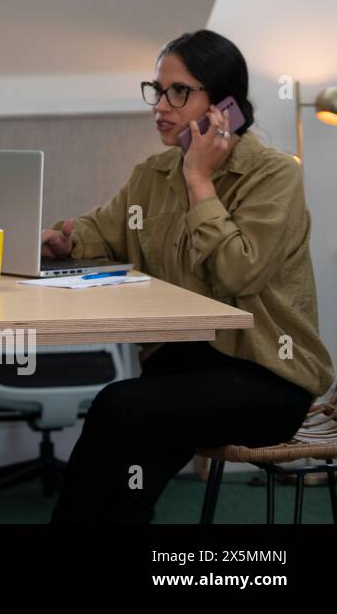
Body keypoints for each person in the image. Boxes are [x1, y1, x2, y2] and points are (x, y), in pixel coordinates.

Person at [44, 29, 333, 523]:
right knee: (126, 475)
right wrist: (66, 241)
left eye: (179, 91)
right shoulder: (153, 174)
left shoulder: (274, 175)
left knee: (119, 409)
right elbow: (104, 230)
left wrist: (199, 179)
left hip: (267, 379)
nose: (161, 105)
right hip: (182, 371)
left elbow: (238, 272)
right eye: (157, 91)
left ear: (224, 106)